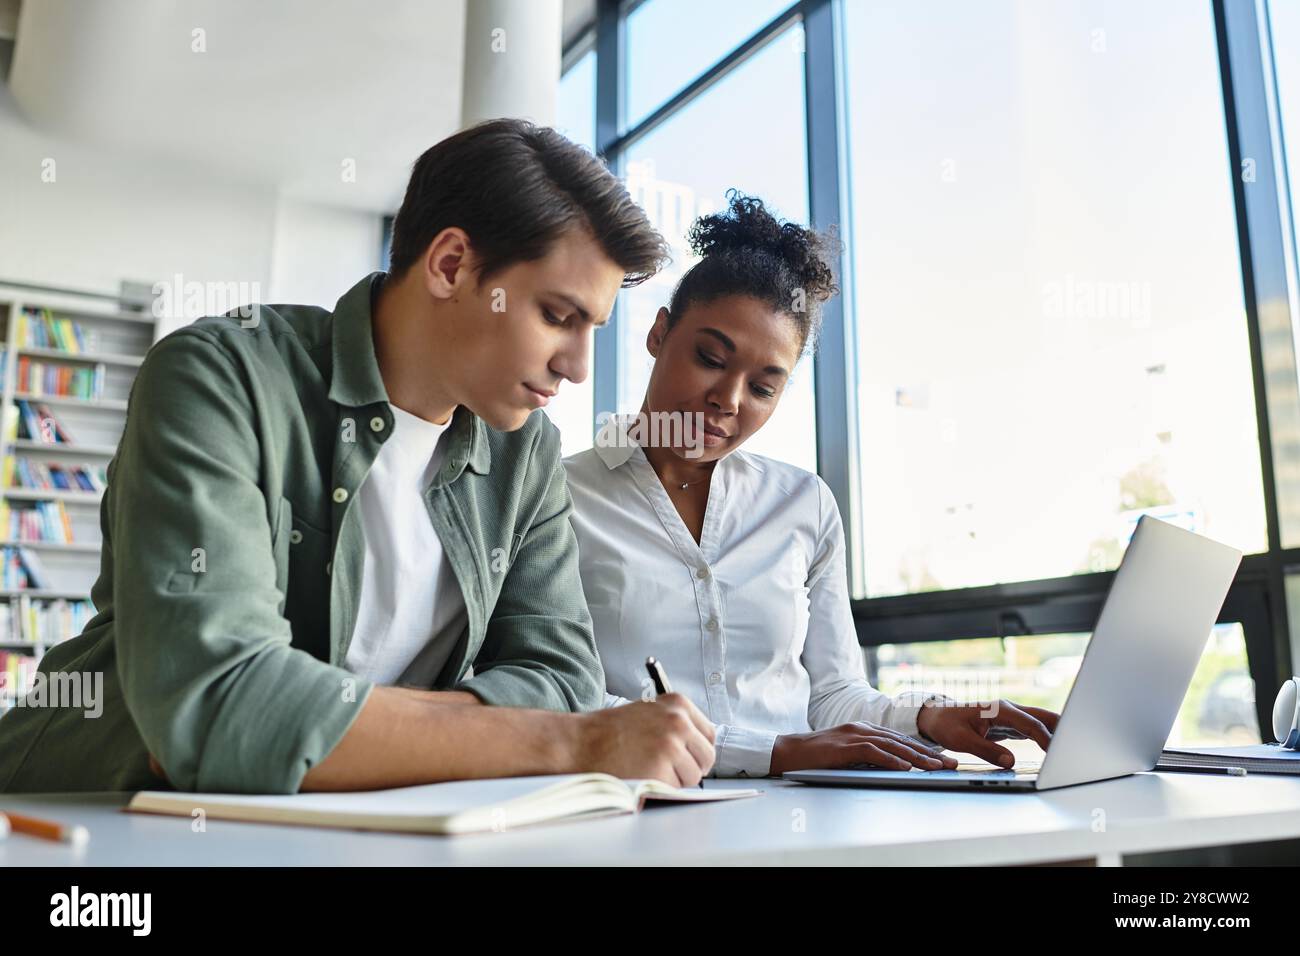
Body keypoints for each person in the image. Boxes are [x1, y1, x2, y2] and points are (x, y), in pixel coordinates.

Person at [0, 119, 716, 794]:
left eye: (592, 327)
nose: (579, 367)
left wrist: (319, 727)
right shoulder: (218, 377)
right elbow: (217, 704)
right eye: (558, 317)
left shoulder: (525, 449)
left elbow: (561, 677)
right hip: (88, 815)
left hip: (342, 826)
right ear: (450, 264)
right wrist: (571, 745)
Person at [563, 191, 1057, 778]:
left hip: (799, 811)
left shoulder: (802, 504)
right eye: (709, 357)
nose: (729, 399)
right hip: (639, 814)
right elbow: (568, 698)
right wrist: (771, 753)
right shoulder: (559, 496)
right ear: (658, 334)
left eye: (765, 387)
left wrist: (926, 716)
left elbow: (832, 695)